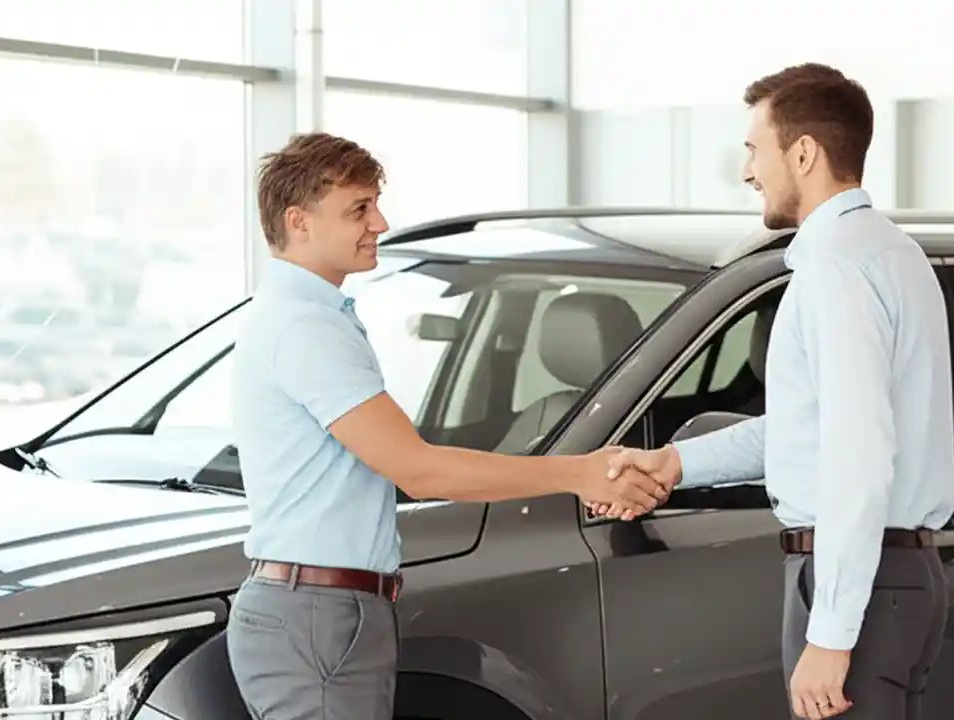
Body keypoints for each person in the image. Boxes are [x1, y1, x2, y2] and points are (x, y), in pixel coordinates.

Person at [226, 132, 669, 720]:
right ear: (298, 222)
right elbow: (418, 468)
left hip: (318, 611)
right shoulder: (306, 327)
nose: (379, 223)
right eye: (358, 209)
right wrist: (581, 472)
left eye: (375, 204)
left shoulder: (300, 316)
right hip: (318, 614)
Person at [594, 63, 954, 719]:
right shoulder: (891, 253)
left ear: (804, 152)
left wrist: (832, 633)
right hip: (896, 579)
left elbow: (858, 458)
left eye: (753, 149)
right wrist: (676, 463)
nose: (747, 172)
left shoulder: (835, 269)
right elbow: (810, 428)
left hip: (860, 585)